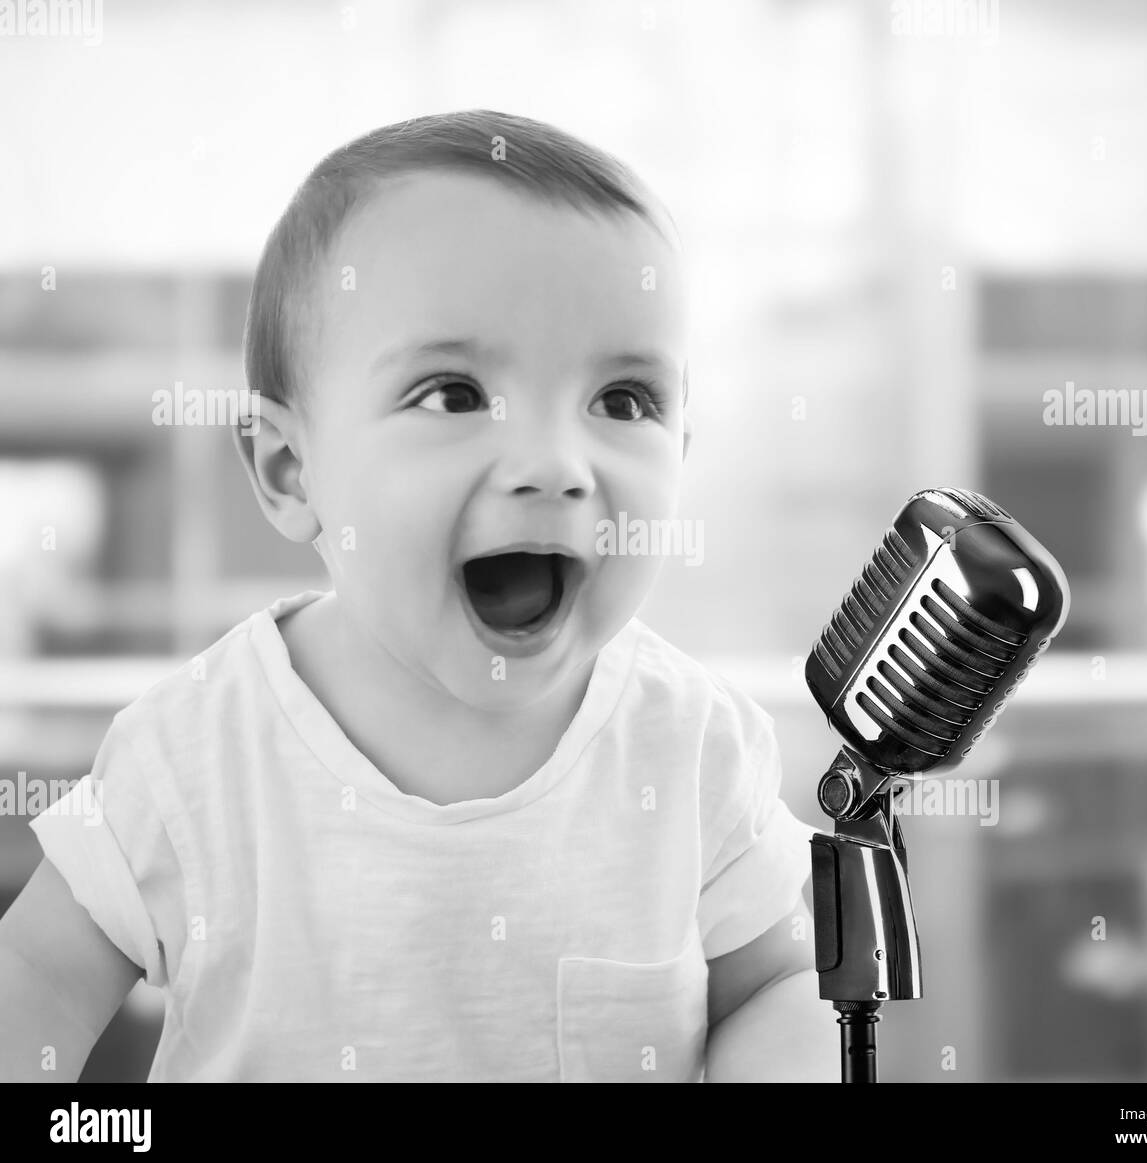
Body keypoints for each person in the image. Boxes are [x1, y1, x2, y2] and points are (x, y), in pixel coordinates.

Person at [0, 110, 835, 1082]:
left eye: (623, 400)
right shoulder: (194, 746)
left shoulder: (692, 745)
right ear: (289, 470)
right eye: (453, 393)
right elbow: (38, 973)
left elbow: (778, 978)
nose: (556, 464)